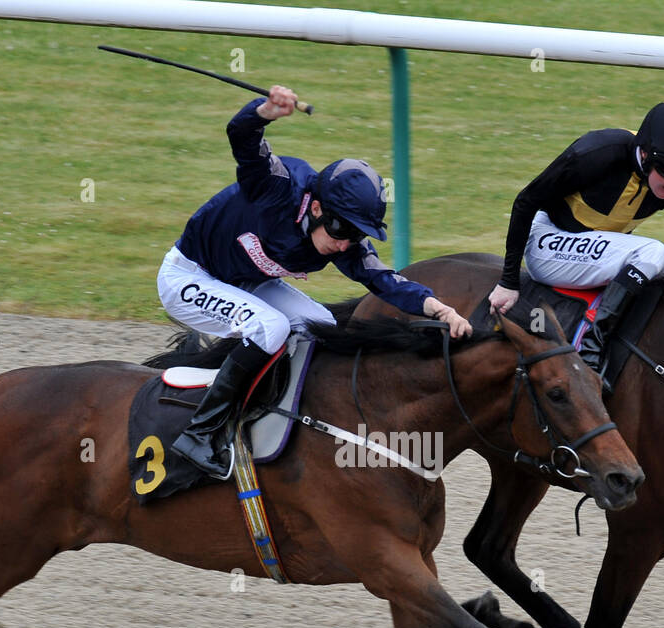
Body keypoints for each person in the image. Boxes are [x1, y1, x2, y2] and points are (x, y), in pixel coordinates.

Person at [158, 85, 471, 479]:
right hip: (188, 277)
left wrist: (441, 308)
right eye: (340, 228)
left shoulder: (341, 242)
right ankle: (198, 436)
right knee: (270, 327)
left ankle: (278, 416)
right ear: (318, 206)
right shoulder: (277, 187)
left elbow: (387, 281)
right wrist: (266, 111)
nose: (344, 242)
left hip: (244, 284)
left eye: (356, 234)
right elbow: (241, 135)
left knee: (318, 325)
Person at [487, 99, 664, 366]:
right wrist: (509, 281)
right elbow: (526, 201)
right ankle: (591, 349)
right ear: (647, 154)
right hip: (547, 243)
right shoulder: (597, 154)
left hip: (590, 248)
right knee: (650, 253)